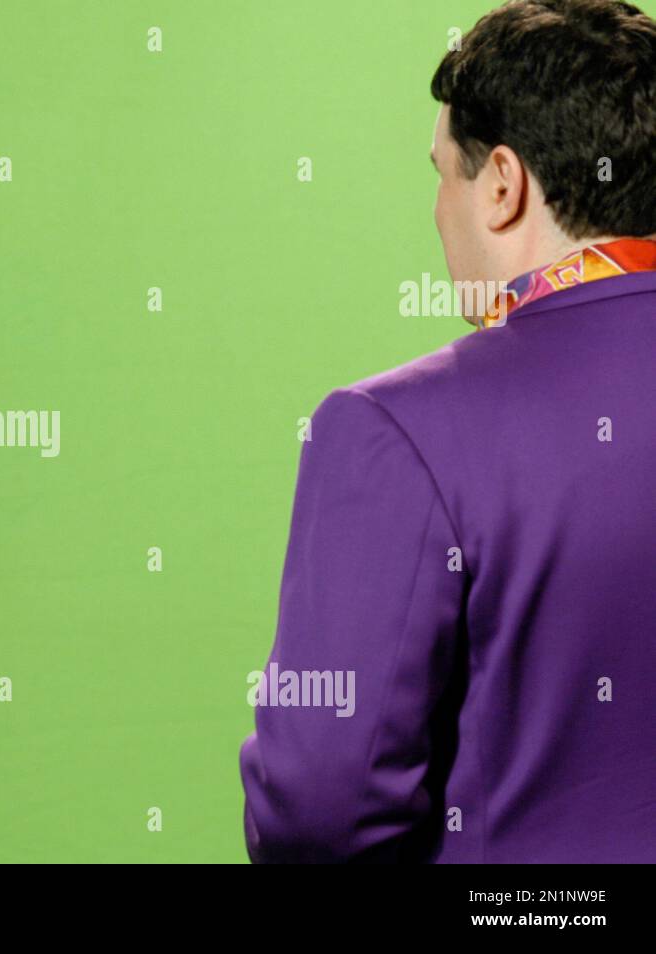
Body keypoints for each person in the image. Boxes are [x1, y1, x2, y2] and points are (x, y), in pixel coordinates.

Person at [239, 0, 656, 862]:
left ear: (501, 185)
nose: (437, 210)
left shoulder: (391, 430)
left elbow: (318, 808)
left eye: (441, 174)